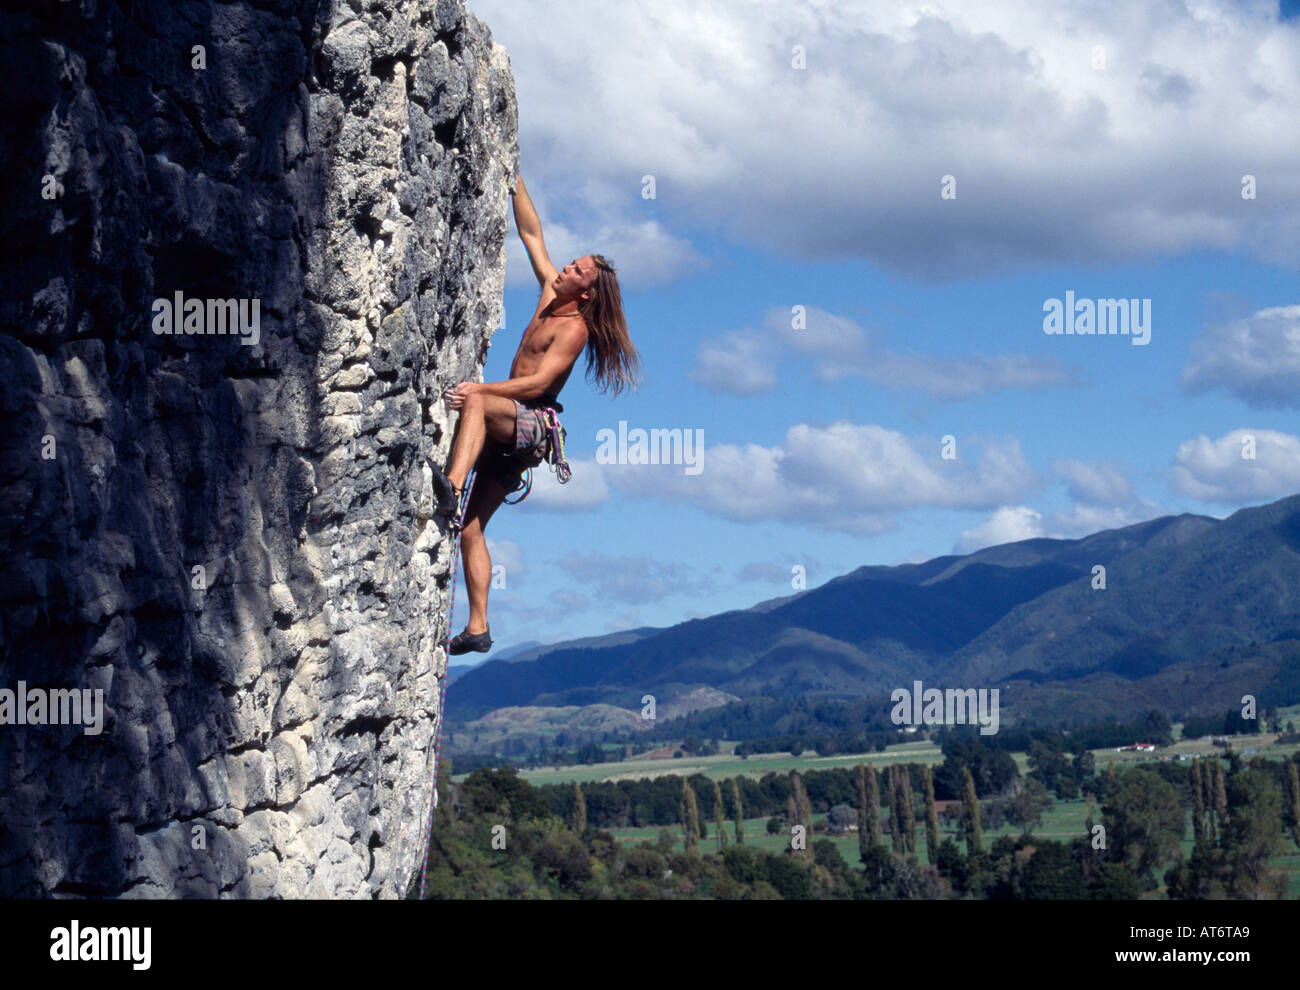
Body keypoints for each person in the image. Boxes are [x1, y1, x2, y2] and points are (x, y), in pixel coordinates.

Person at [429, 172, 641, 654]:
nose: (565, 268)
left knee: (477, 404)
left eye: (576, 271)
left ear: (585, 293)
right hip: (511, 427)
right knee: (471, 529)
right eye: (570, 264)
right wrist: (512, 175)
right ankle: (478, 626)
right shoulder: (551, 291)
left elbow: (540, 384)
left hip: (528, 427)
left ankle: (452, 486)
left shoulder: (575, 330)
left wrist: (479, 388)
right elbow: (530, 232)